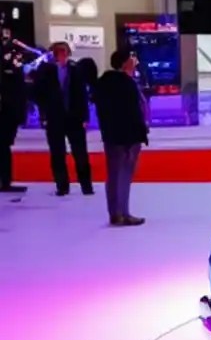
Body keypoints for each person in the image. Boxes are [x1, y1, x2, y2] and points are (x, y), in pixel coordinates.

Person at [33, 41, 94, 196]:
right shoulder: (45, 71)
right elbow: (39, 95)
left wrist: (85, 117)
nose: (61, 54)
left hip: (75, 118)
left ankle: (86, 186)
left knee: (80, 153)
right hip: (54, 118)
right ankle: (62, 186)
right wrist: (43, 115)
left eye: (64, 51)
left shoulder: (76, 70)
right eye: (58, 51)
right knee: (57, 153)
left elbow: (82, 95)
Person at [96, 50, 148, 226]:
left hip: (112, 135)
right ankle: (122, 213)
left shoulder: (104, 82)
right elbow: (131, 112)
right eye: (132, 57)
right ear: (125, 63)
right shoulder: (125, 83)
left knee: (114, 175)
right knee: (123, 175)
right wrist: (138, 133)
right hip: (127, 137)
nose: (135, 60)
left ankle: (115, 212)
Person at [0, 22, 29, 193]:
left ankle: (5, 180)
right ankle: (5, 181)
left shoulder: (13, 55)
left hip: (8, 109)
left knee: (4, 145)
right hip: (7, 108)